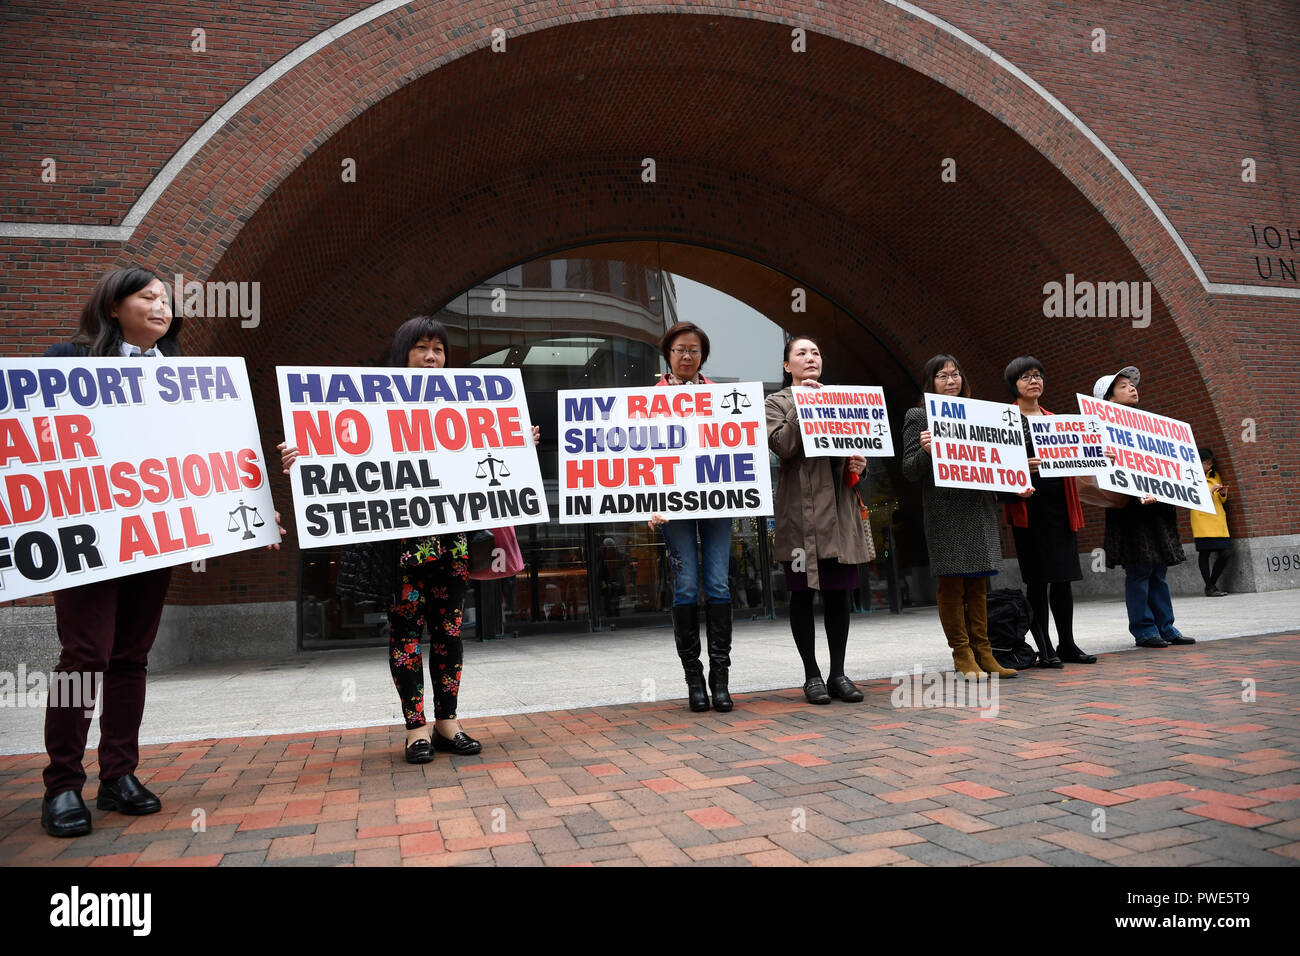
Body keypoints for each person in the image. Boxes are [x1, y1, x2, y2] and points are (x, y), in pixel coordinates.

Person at [40, 267, 286, 838]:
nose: (161, 304)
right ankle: (62, 785)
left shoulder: (188, 378)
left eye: (166, 299)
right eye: (147, 295)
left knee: (132, 655)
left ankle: (118, 775)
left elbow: (216, 460)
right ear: (112, 307)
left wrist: (252, 509)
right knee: (84, 655)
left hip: (155, 538)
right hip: (89, 537)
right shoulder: (66, 361)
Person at [280, 316, 536, 763]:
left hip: (452, 540)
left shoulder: (465, 406)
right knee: (405, 634)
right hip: (400, 545)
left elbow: (489, 458)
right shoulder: (368, 405)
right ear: (403, 353)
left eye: (439, 350)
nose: (433, 357)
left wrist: (519, 442)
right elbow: (338, 449)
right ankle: (415, 728)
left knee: (449, 632)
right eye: (423, 348)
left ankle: (447, 723)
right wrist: (302, 456)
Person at [765, 336, 875, 704]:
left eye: (815, 351)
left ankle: (838, 673)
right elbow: (783, 446)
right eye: (801, 353)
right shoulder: (775, 402)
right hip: (800, 513)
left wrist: (860, 464)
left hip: (838, 512)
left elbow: (860, 447)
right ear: (787, 366)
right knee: (801, 592)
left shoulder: (841, 400)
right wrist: (803, 404)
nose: (810, 357)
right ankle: (811, 675)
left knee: (839, 593)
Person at [902, 354, 1019, 679]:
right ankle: (962, 655)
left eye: (955, 374)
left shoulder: (980, 415)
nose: (951, 381)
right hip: (946, 511)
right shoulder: (919, 416)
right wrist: (925, 452)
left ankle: (985, 652)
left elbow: (996, 459)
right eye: (943, 376)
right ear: (930, 382)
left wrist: (1017, 479)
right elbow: (909, 471)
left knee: (979, 585)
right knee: (953, 586)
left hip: (978, 508)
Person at [647, 322, 734, 712]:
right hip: (672, 508)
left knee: (717, 584)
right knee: (685, 586)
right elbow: (639, 459)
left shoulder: (722, 396)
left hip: (717, 503)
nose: (687, 356)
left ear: (703, 356)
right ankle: (694, 680)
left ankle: (720, 679)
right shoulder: (650, 400)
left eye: (694, 350)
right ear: (668, 354)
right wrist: (648, 503)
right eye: (680, 349)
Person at [1002, 357, 1096, 666]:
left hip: (1061, 507)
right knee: (1038, 580)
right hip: (1030, 508)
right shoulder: (1005, 420)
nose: (1034, 381)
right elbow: (995, 464)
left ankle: (1067, 643)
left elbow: (1080, 457)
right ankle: (1045, 648)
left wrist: (1099, 453)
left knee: (1063, 579)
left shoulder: (1056, 419)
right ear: (1014, 384)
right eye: (1026, 376)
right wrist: (1021, 466)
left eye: (1038, 375)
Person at [1093, 367, 1195, 648]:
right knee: (1139, 571)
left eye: (1132, 385)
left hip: (1156, 507)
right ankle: (1144, 630)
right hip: (1130, 510)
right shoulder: (1100, 430)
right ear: (1109, 398)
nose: (1132, 389)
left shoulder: (1151, 426)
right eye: (1124, 386)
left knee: (1158, 570)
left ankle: (1167, 627)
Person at [1192, 447, 1231, 596]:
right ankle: (1210, 587)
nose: (1210, 466)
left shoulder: (1215, 475)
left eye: (1210, 463)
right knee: (1205, 553)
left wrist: (1223, 493)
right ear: (1199, 463)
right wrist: (1210, 491)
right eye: (1207, 463)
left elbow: (1222, 499)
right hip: (1202, 519)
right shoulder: (1192, 476)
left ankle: (1211, 585)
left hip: (1218, 519)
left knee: (1226, 552)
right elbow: (1193, 496)